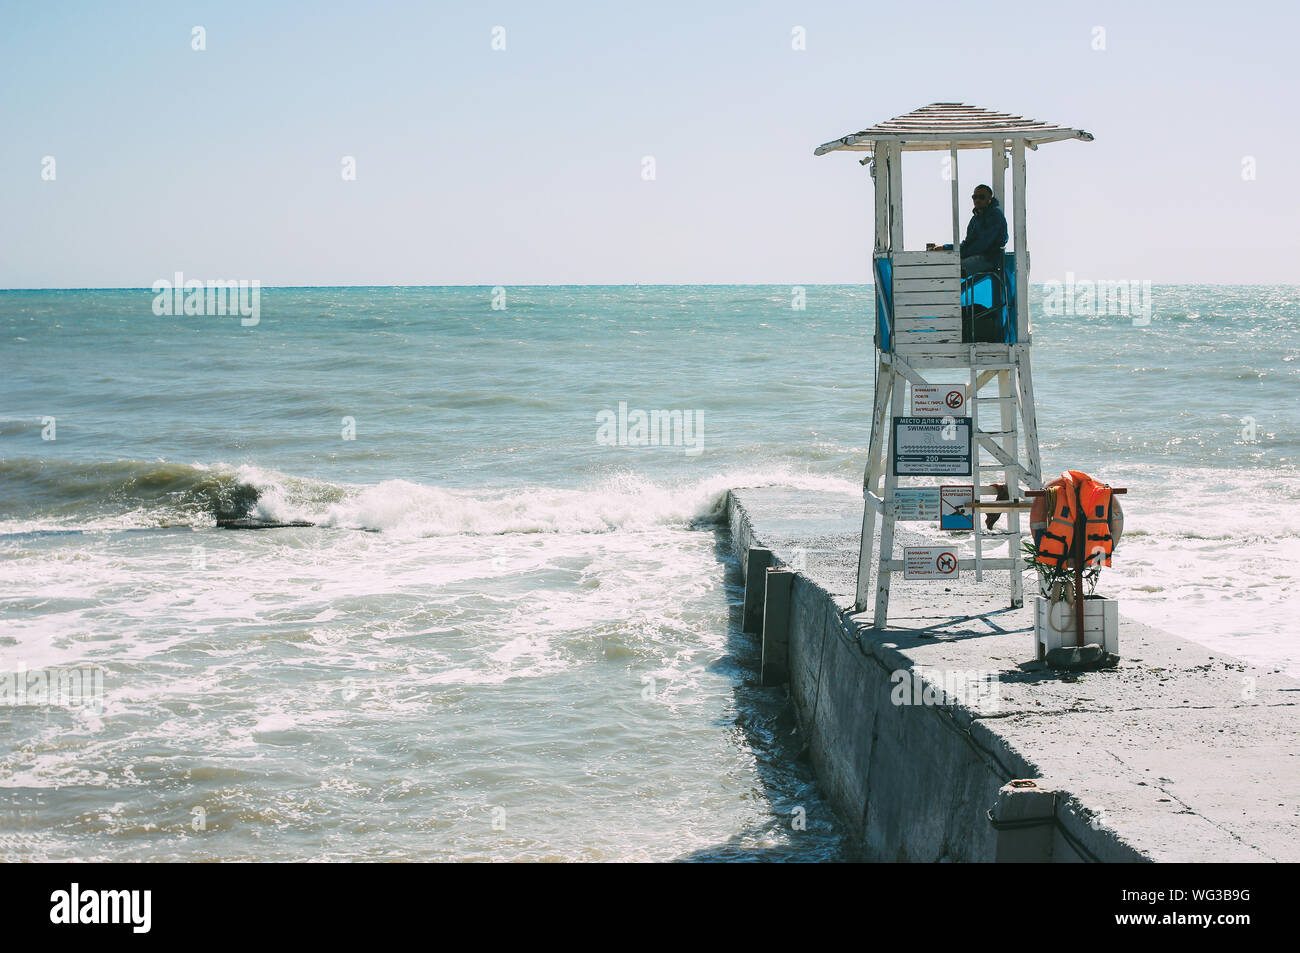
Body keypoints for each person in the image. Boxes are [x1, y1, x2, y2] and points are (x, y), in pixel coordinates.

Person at [960, 185, 1007, 277]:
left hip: (989, 259)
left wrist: (960, 253)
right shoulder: (975, 219)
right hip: (976, 256)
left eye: (981, 197)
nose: (977, 200)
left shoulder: (995, 216)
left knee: (954, 268)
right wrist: (947, 249)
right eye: (975, 197)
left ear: (989, 199)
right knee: (948, 263)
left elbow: (983, 244)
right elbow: (968, 242)